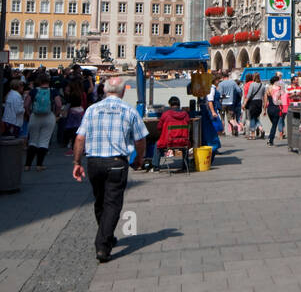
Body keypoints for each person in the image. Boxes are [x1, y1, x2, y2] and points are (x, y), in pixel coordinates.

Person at [73, 77, 147, 262]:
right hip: (116, 162)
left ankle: (107, 235)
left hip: (94, 162)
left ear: (105, 91)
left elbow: (80, 138)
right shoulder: (129, 110)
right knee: (112, 204)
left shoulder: (91, 109)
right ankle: (103, 246)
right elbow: (140, 139)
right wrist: (139, 158)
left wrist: (76, 162)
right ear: (123, 92)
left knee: (100, 201)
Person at [24, 72, 57, 171]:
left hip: (35, 116)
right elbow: (59, 104)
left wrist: (29, 113)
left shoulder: (34, 91)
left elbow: (26, 104)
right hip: (48, 116)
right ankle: (39, 165)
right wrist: (56, 114)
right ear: (48, 81)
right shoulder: (53, 91)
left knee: (33, 140)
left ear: (39, 81)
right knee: (44, 141)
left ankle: (27, 165)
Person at [152, 96, 192, 170]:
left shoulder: (166, 114)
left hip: (169, 142)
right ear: (179, 104)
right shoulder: (185, 114)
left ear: (170, 105)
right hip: (183, 141)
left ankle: (156, 166)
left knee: (157, 145)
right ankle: (185, 165)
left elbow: (159, 127)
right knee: (185, 146)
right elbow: (189, 125)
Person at [264, 73, 283, 145]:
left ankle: (271, 138)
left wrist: (264, 110)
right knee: (274, 125)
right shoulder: (278, 89)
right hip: (276, 108)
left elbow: (265, 100)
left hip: (269, 108)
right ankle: (270, 139)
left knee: (273, 124)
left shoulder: (268, 88)